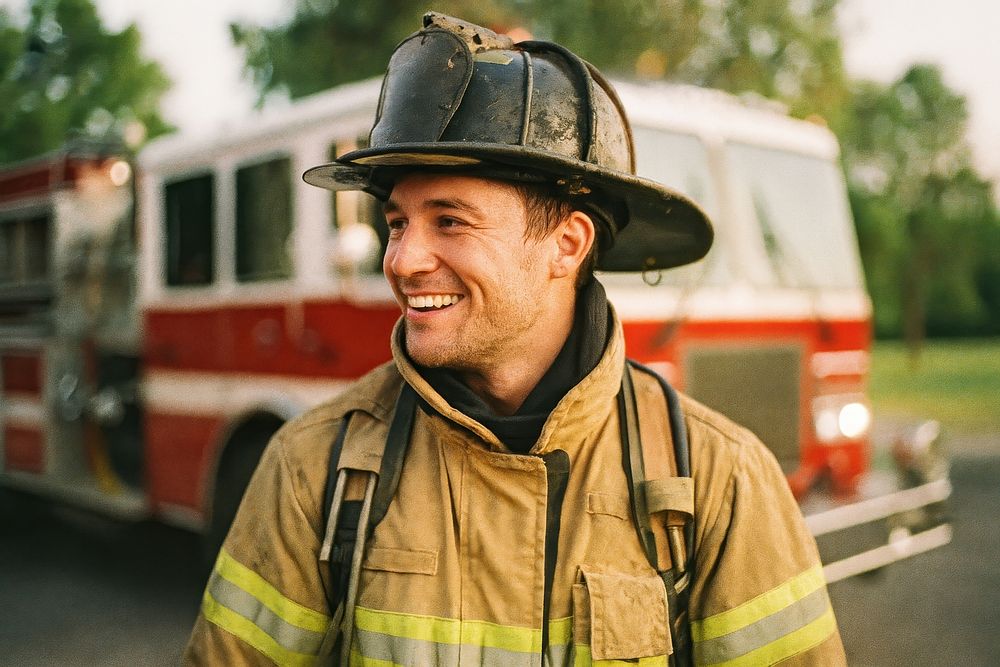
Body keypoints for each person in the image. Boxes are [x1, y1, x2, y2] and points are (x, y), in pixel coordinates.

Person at [184, 13, 846, 667]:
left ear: (567, 245)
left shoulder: (722, 483)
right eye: (396, 222)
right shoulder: (310, 469)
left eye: (450, 220)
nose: (403, 260)